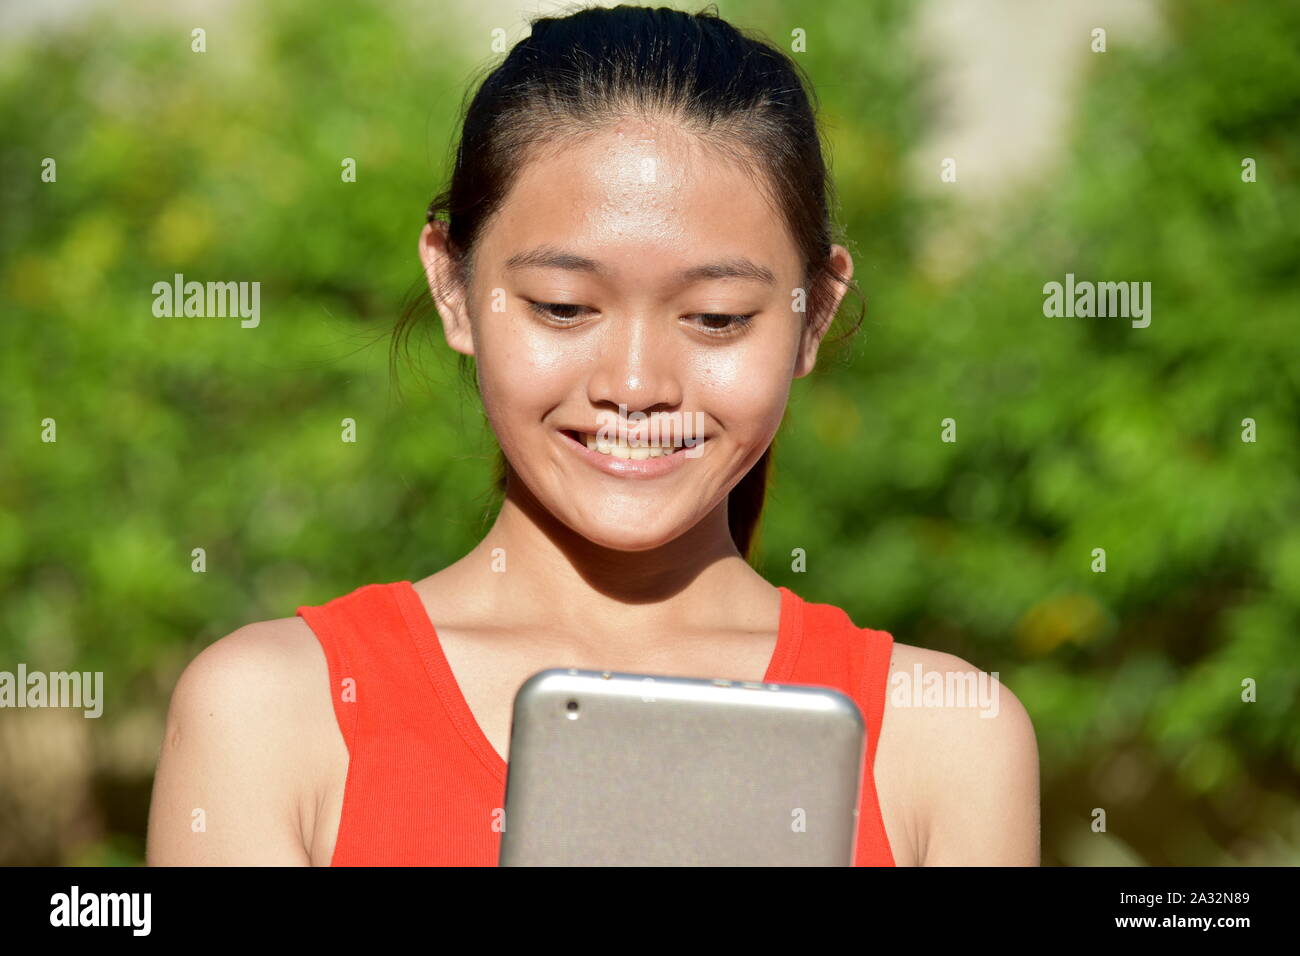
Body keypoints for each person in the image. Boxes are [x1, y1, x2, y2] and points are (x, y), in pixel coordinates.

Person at [146, 3, 1039, 866]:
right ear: (455, 288)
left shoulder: (948, 738)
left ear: (814, 316)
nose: (636, 386)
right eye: (564, 307)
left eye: (718, 318)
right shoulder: (271, 715)